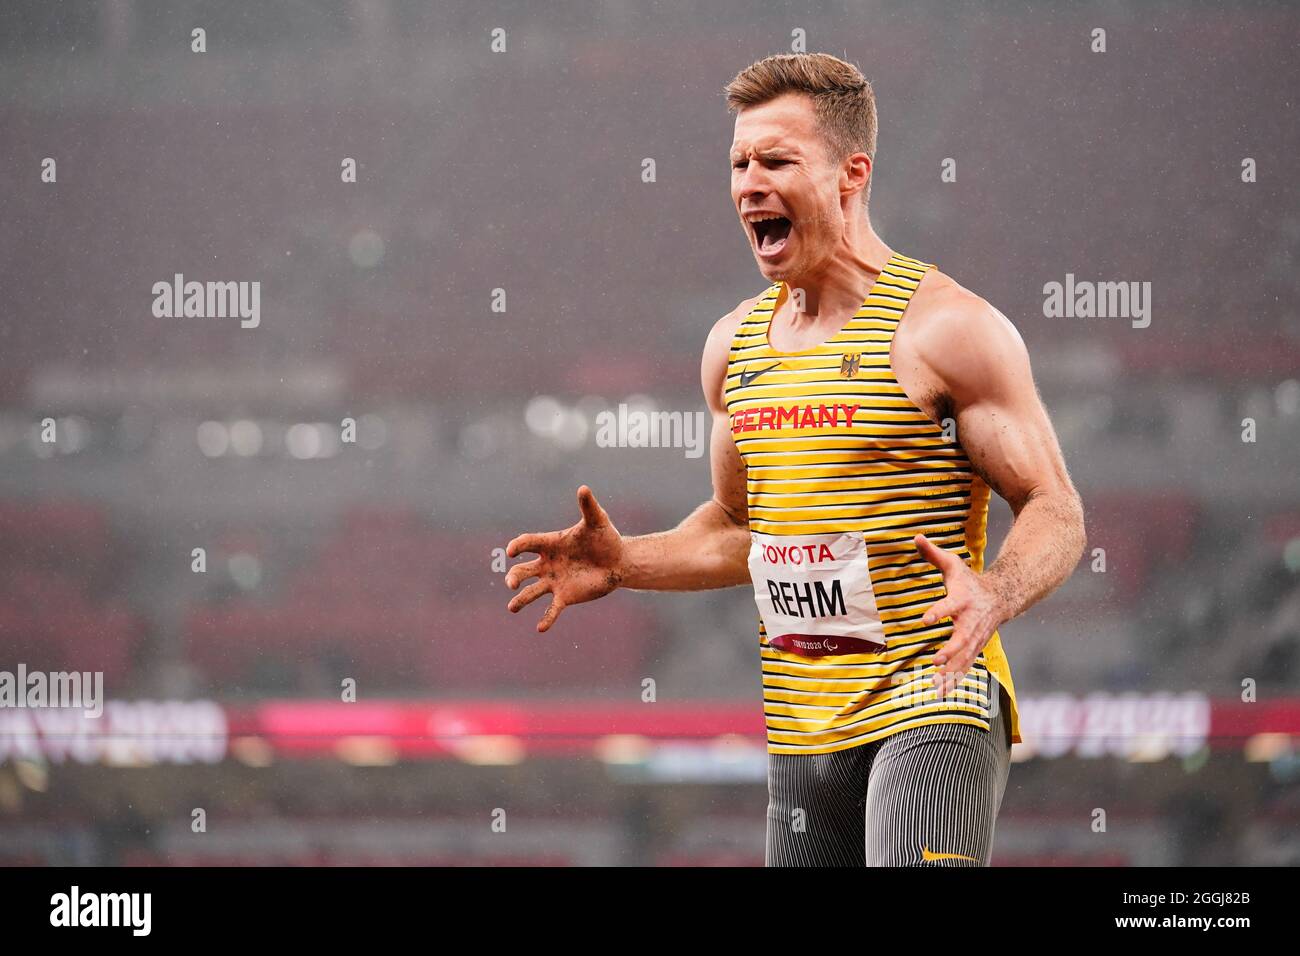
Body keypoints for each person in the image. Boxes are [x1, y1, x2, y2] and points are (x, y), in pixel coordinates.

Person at [506, 52, 1085, 866]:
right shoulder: (731, 348)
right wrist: (627, 560)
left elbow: (1055, 506)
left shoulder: (946, 331)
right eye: (739, 163)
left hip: (933, 694)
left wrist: (996, 591)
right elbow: (743, 530)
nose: (748, 183)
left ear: (852, 175)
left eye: (776, 161)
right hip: (801, 727)